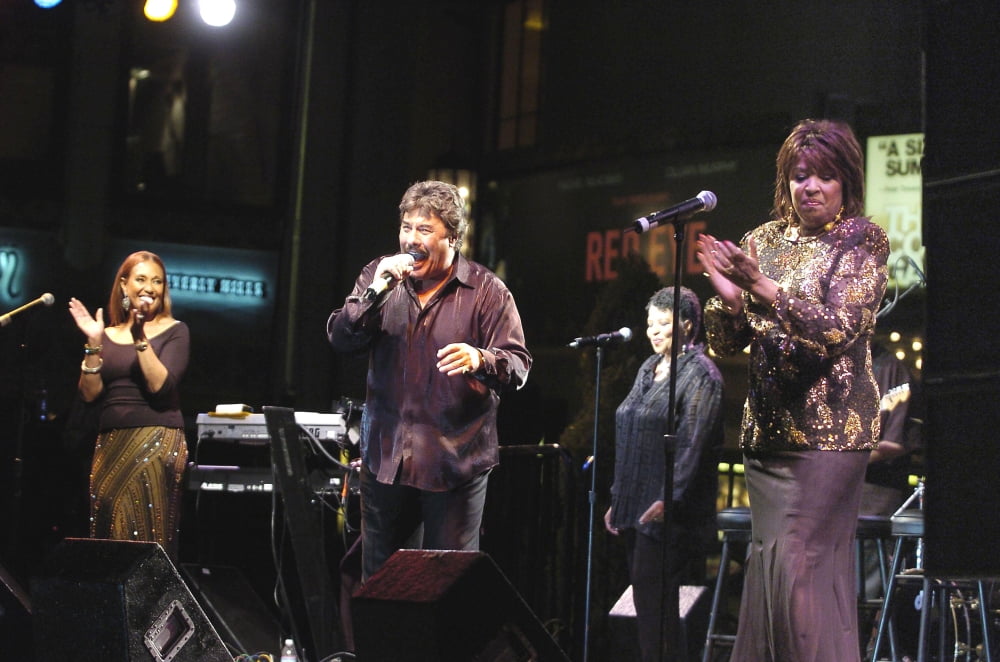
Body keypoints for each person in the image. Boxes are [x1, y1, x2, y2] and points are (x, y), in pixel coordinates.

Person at [695, 118, 889, 662]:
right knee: (772, 578)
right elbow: (727, 342)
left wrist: (759, 286)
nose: (811, 187)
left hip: (830, 436)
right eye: (801, 175)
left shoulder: (861, 239)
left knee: (801, 575)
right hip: (768, 437)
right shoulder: (762, 240)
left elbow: (836, 329)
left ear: (846, 181)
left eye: (825, 176)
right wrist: (730, 299)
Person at [326, 180, 532, 582]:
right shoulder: (380, 277)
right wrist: (375, 292)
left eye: (424, 229)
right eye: (406, 227)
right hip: (387, 459)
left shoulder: (486, 292)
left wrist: (481, 358)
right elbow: (340, 338)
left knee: (445, 589)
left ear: (452, 237)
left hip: (453, 463)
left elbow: (519, 364)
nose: (411, 239)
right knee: (380, 587)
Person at [603, 285, 724, 662]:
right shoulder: (647, 368)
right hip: (635, 504)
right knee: (645, 602)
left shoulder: (701, 374)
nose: (653, 331)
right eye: (650, 324)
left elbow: (693, 441)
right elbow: (631, 426)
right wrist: (618, 496)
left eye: (663, 324)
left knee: (657, 606)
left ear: (687, 326)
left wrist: (669, 496)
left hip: (669, 508)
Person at [68, 250, 190, 561]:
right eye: (141, 279)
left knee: (145, 539)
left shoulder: (176, 330)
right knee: (109, 536)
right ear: (124, 285)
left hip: (156, 440)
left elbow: (160, 387)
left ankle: (149, 608)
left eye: (157, 281)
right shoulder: (105, 334)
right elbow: (89, 394)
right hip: (110, 444)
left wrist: (139, 337)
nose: (150, 287)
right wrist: (94, 343)